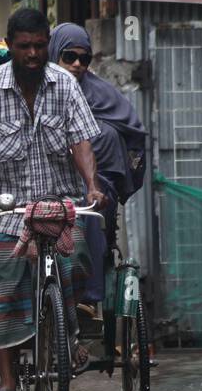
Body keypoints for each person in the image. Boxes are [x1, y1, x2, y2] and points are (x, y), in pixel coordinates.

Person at [0, 7, 105, 391]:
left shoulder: (65, 85)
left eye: (41, 46)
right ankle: (7, 384)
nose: (34, 54)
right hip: (8, 209)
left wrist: (91, 184)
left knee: (77, 259)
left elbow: (81, 143)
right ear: (11, 47)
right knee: (2, 288)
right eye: (25, 47)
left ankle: (68, 337)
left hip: (59, 205)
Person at [49, 22, 147, 314]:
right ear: (54, 55)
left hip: (94, 186)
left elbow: (134, 142)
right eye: (69, 57)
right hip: (43, 184)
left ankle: (87, 297)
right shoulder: (38, 92)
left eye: (84, 59)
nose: (77, 64)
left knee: (90, 209)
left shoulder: (102, 99)